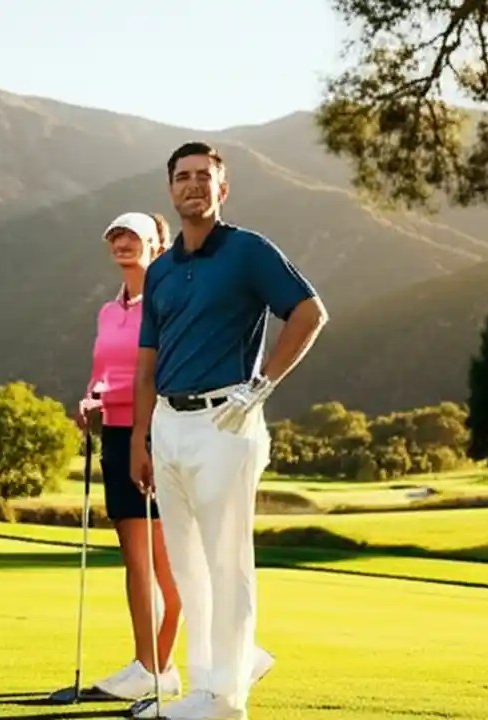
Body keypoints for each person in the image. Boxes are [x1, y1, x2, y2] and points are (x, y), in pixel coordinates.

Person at [129, 142, 328, 720]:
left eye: (204, 177)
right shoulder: (161, 269)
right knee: (189, 567)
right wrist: (141, 437)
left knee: (226, 563)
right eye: (183, 177)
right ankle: (204, 688)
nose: (193, 185)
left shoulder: (248, 251)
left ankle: (225, 699)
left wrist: (260, 386)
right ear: (170, 190)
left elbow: (309, 312)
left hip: (226, 419)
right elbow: (148, 361)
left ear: (223, 188)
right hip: (167, 424)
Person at [75, 211, 184, 705]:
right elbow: (101, 376)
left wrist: (146, 428)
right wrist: (90, 401)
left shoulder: (167, 304)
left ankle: (162, 665)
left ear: (156, 245)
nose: (123, 244)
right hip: (116, 437)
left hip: (157, 434)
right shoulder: (106, 311)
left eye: (133, 237)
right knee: (134, 560)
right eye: (116, 237)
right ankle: (146, 665)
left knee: (167, 561)